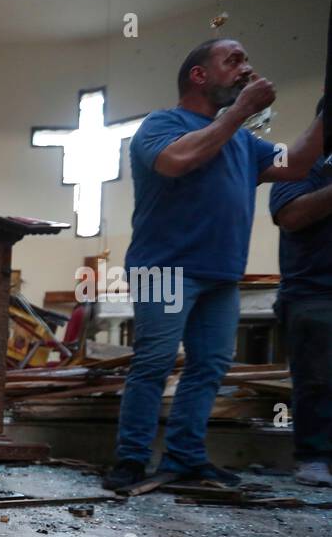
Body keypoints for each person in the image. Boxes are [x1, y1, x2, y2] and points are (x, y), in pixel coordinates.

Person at [104, 38, 326, 490]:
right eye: (234, 60)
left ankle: (186, 457)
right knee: (154, 361)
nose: (245, 68)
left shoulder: (245, 143)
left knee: (209, 366)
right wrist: (241, 109)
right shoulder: (161, 124)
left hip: (220, 275)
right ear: (198, 75)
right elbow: (176, 160)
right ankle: (130, 460)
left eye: (247, 58)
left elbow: (299, 164)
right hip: (161, 268)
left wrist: (326, 115)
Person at [269, 105, 331, 487]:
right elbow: (290, 214)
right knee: (319, 379)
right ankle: (314, 457)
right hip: (314, 293)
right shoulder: (301, 164)